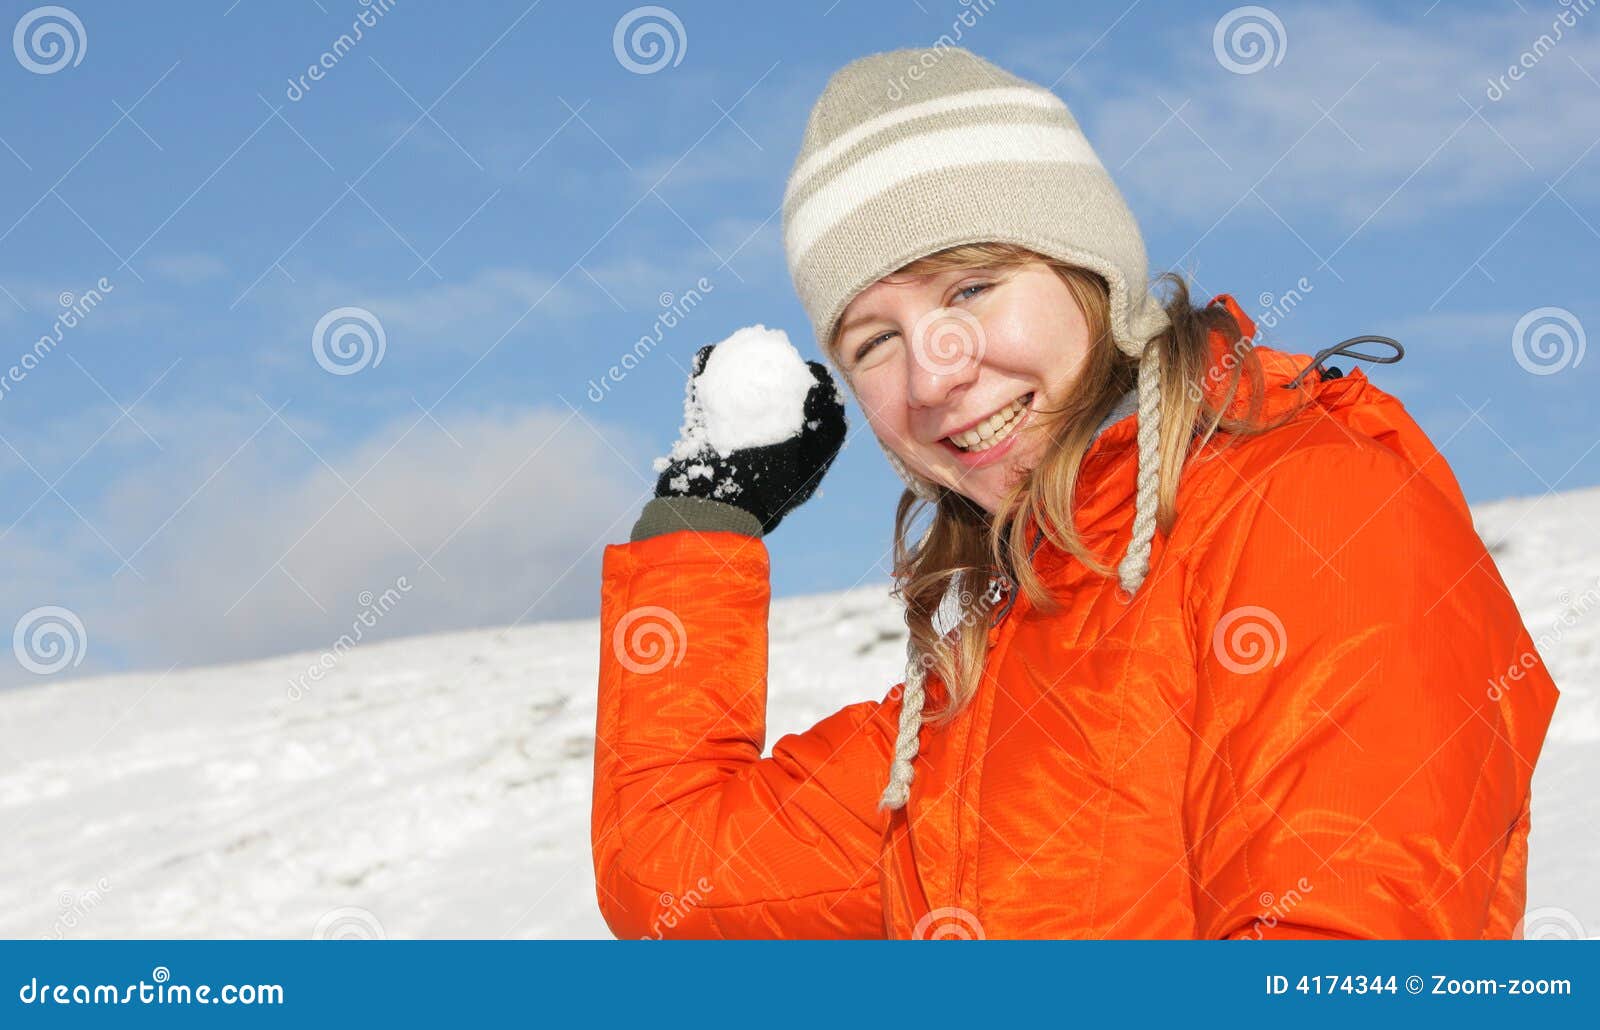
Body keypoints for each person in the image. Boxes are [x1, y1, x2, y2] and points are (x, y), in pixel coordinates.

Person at [590, 46, 1560, 939]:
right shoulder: (984, 683)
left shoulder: (1307, 510)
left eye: (969, 288)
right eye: (872, 343)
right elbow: (673, 878)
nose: (932, 375)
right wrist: (702, 520)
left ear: (1090, 270)